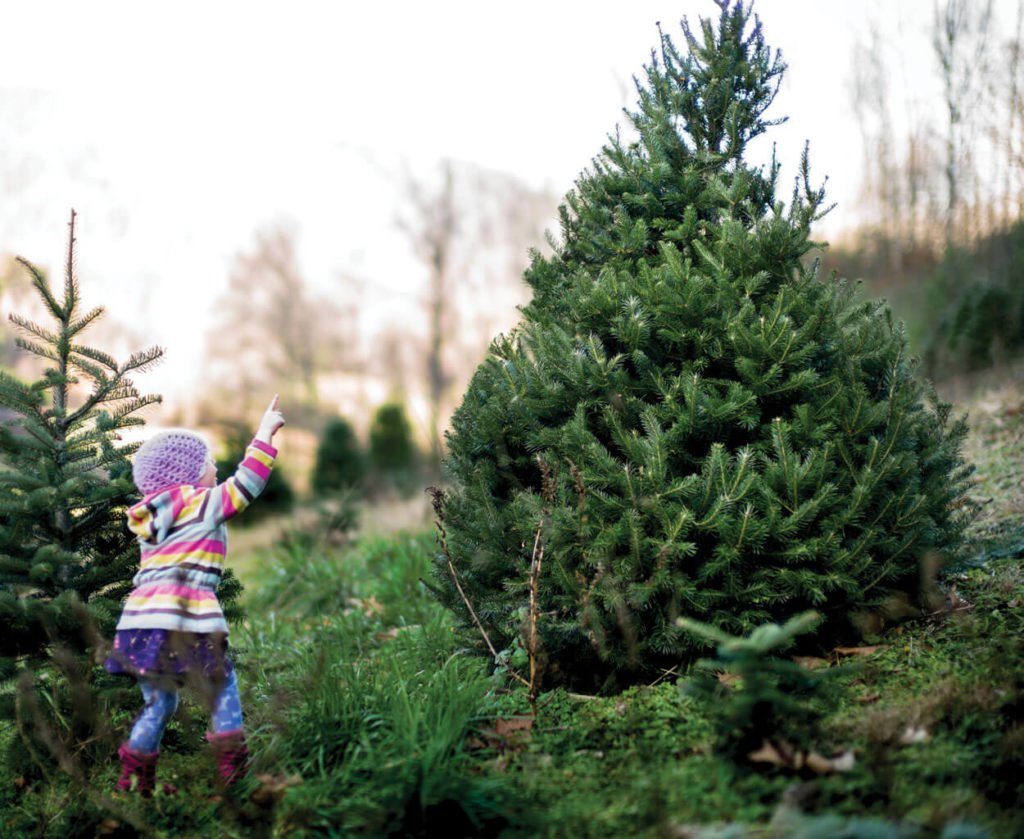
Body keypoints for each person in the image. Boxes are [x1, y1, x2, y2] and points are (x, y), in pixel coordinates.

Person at [105, 395, 285, 797]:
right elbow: (245, 486)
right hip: (185, 617)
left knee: (160, 703)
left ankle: (134, 784)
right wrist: (263, 434)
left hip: (140, 623)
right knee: (223, 688)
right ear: (185, 474)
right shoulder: (200, 502)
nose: (215, 467)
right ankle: (234, 776)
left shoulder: (151, 514)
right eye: (206, 462)